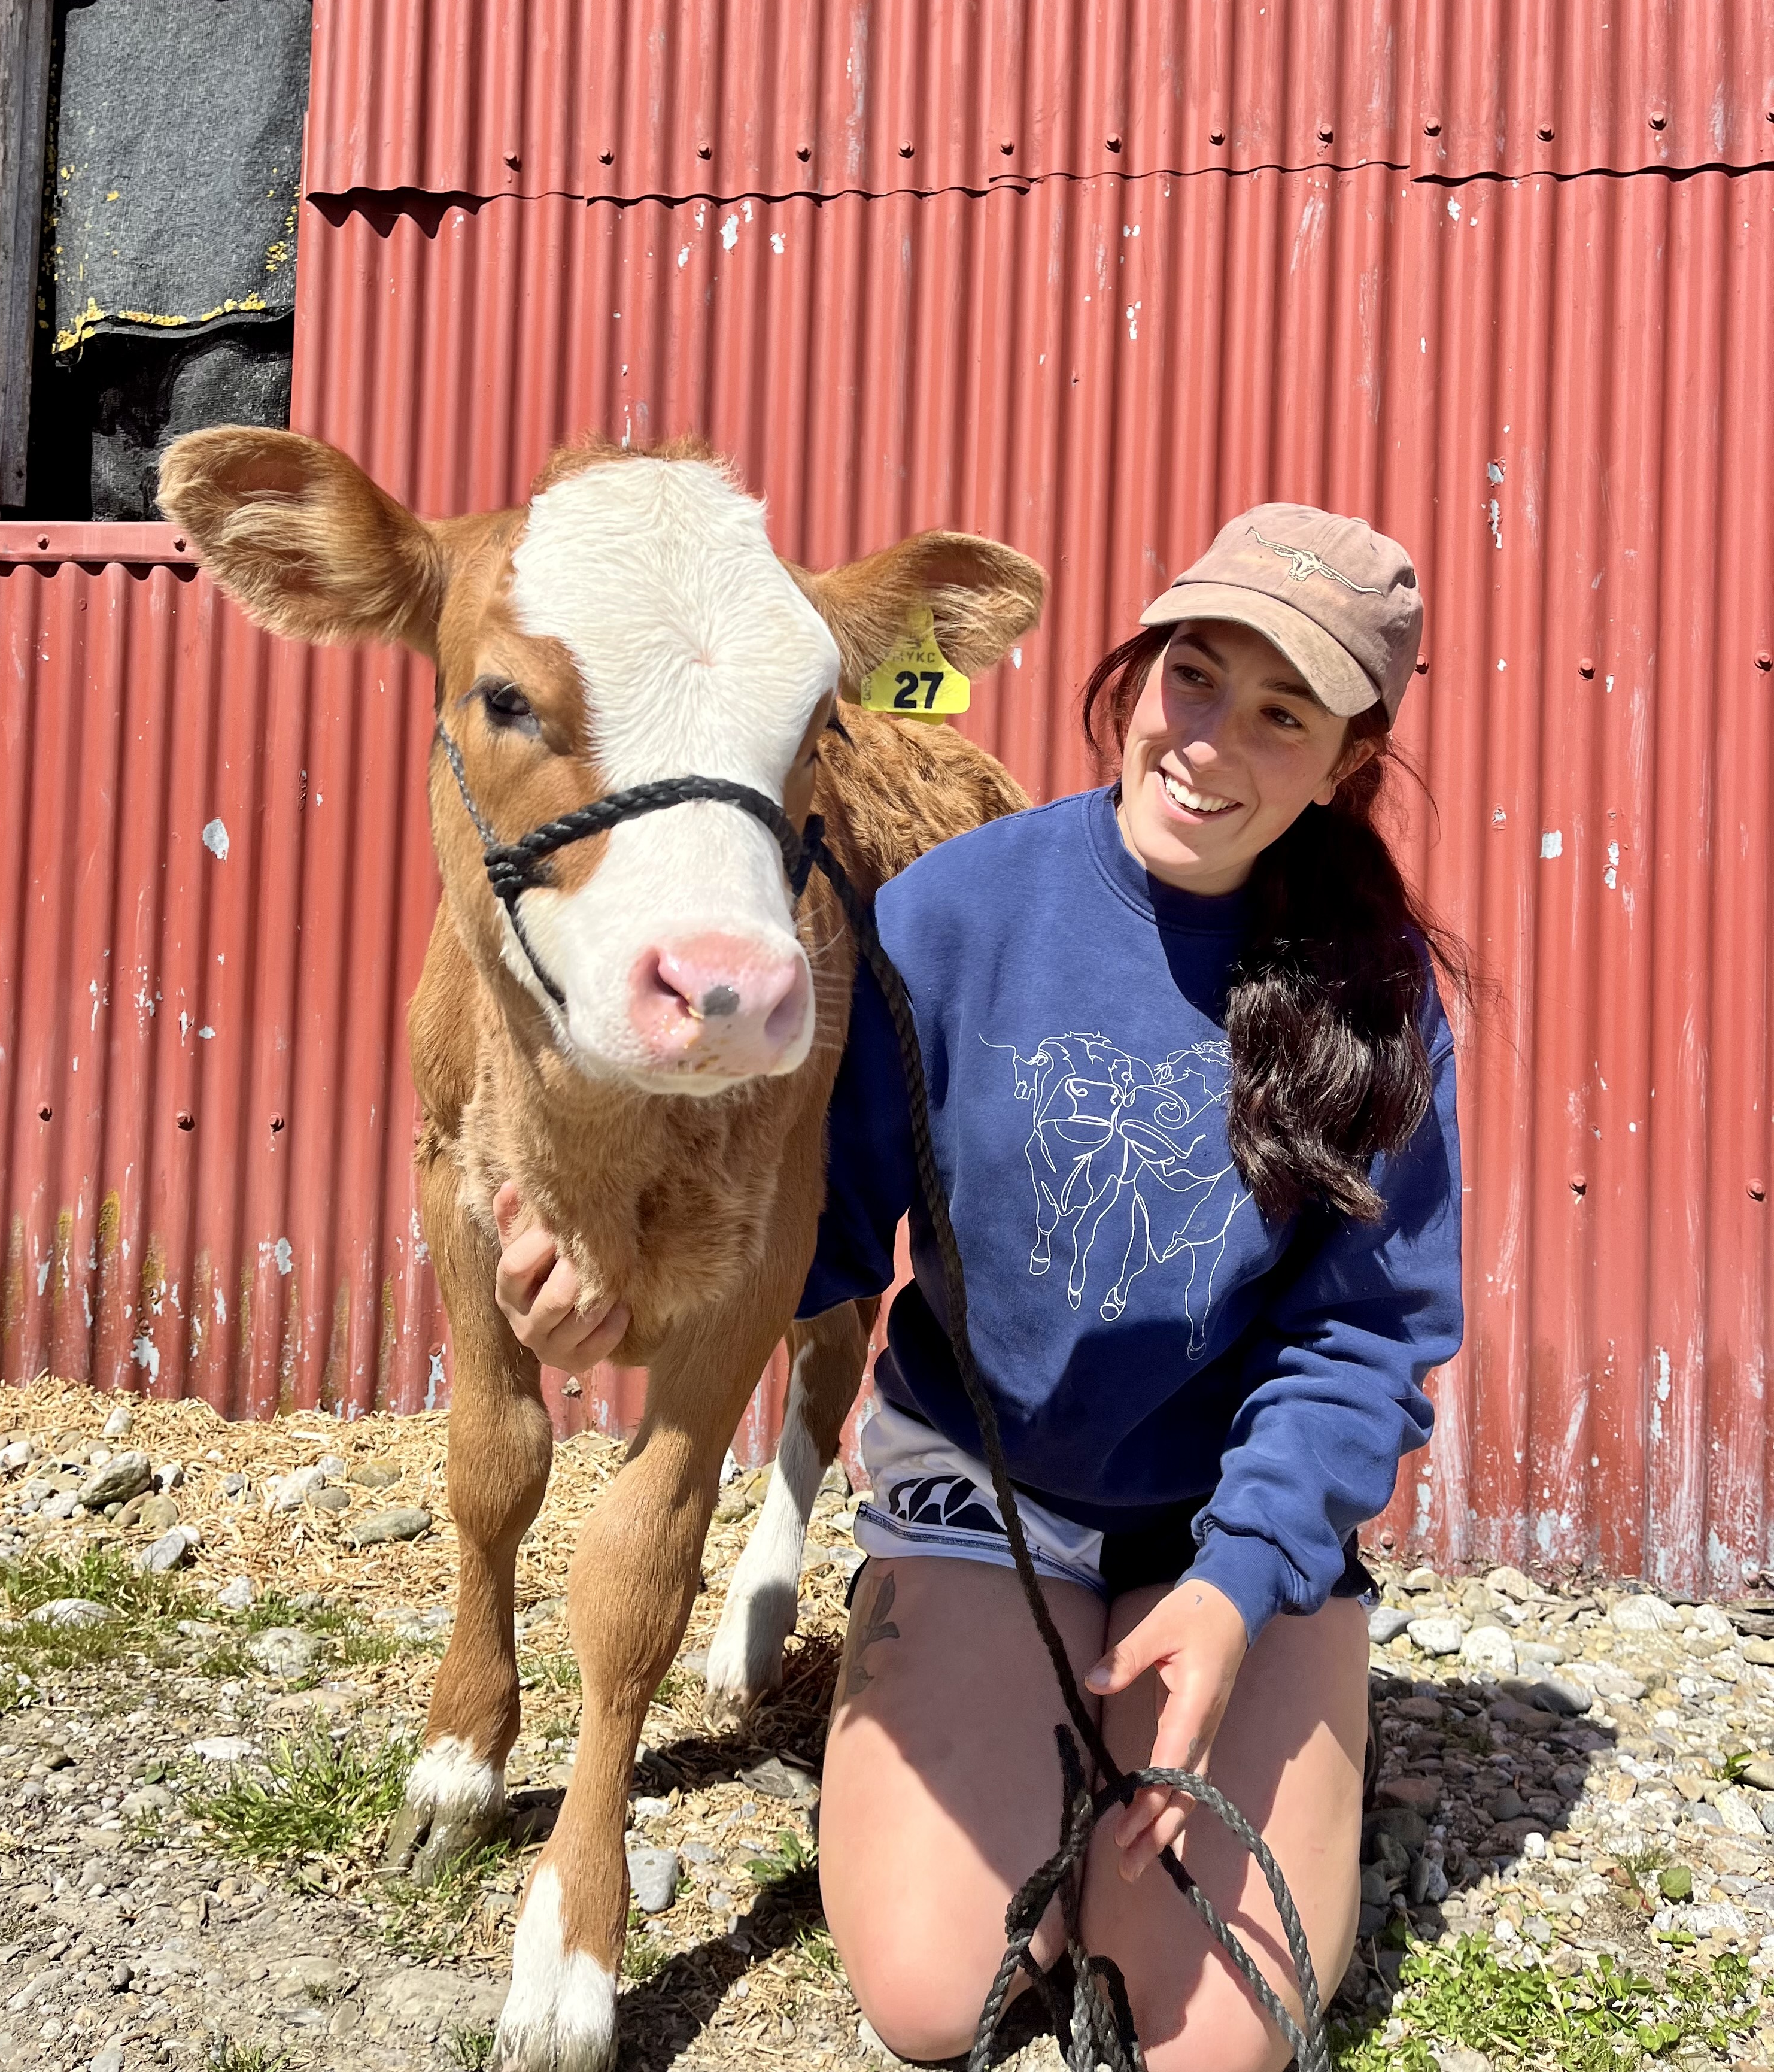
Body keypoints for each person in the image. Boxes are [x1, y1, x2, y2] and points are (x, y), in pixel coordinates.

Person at [494, 503, 1468, 2072]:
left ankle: (1263, 1698)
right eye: (1195, 677)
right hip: (990, 1493)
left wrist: (1234, 1592)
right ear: (1140, 669)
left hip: (1226, 1527)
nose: (1210, 744)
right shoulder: (948, 918)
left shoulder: (1373, 991)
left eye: (1282, 715)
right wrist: (638, 1293)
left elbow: (1362, 1335)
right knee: (935, 1994)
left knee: (1213, 2041)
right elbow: (822, 1228)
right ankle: (1038, 1724)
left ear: (1346, 761)